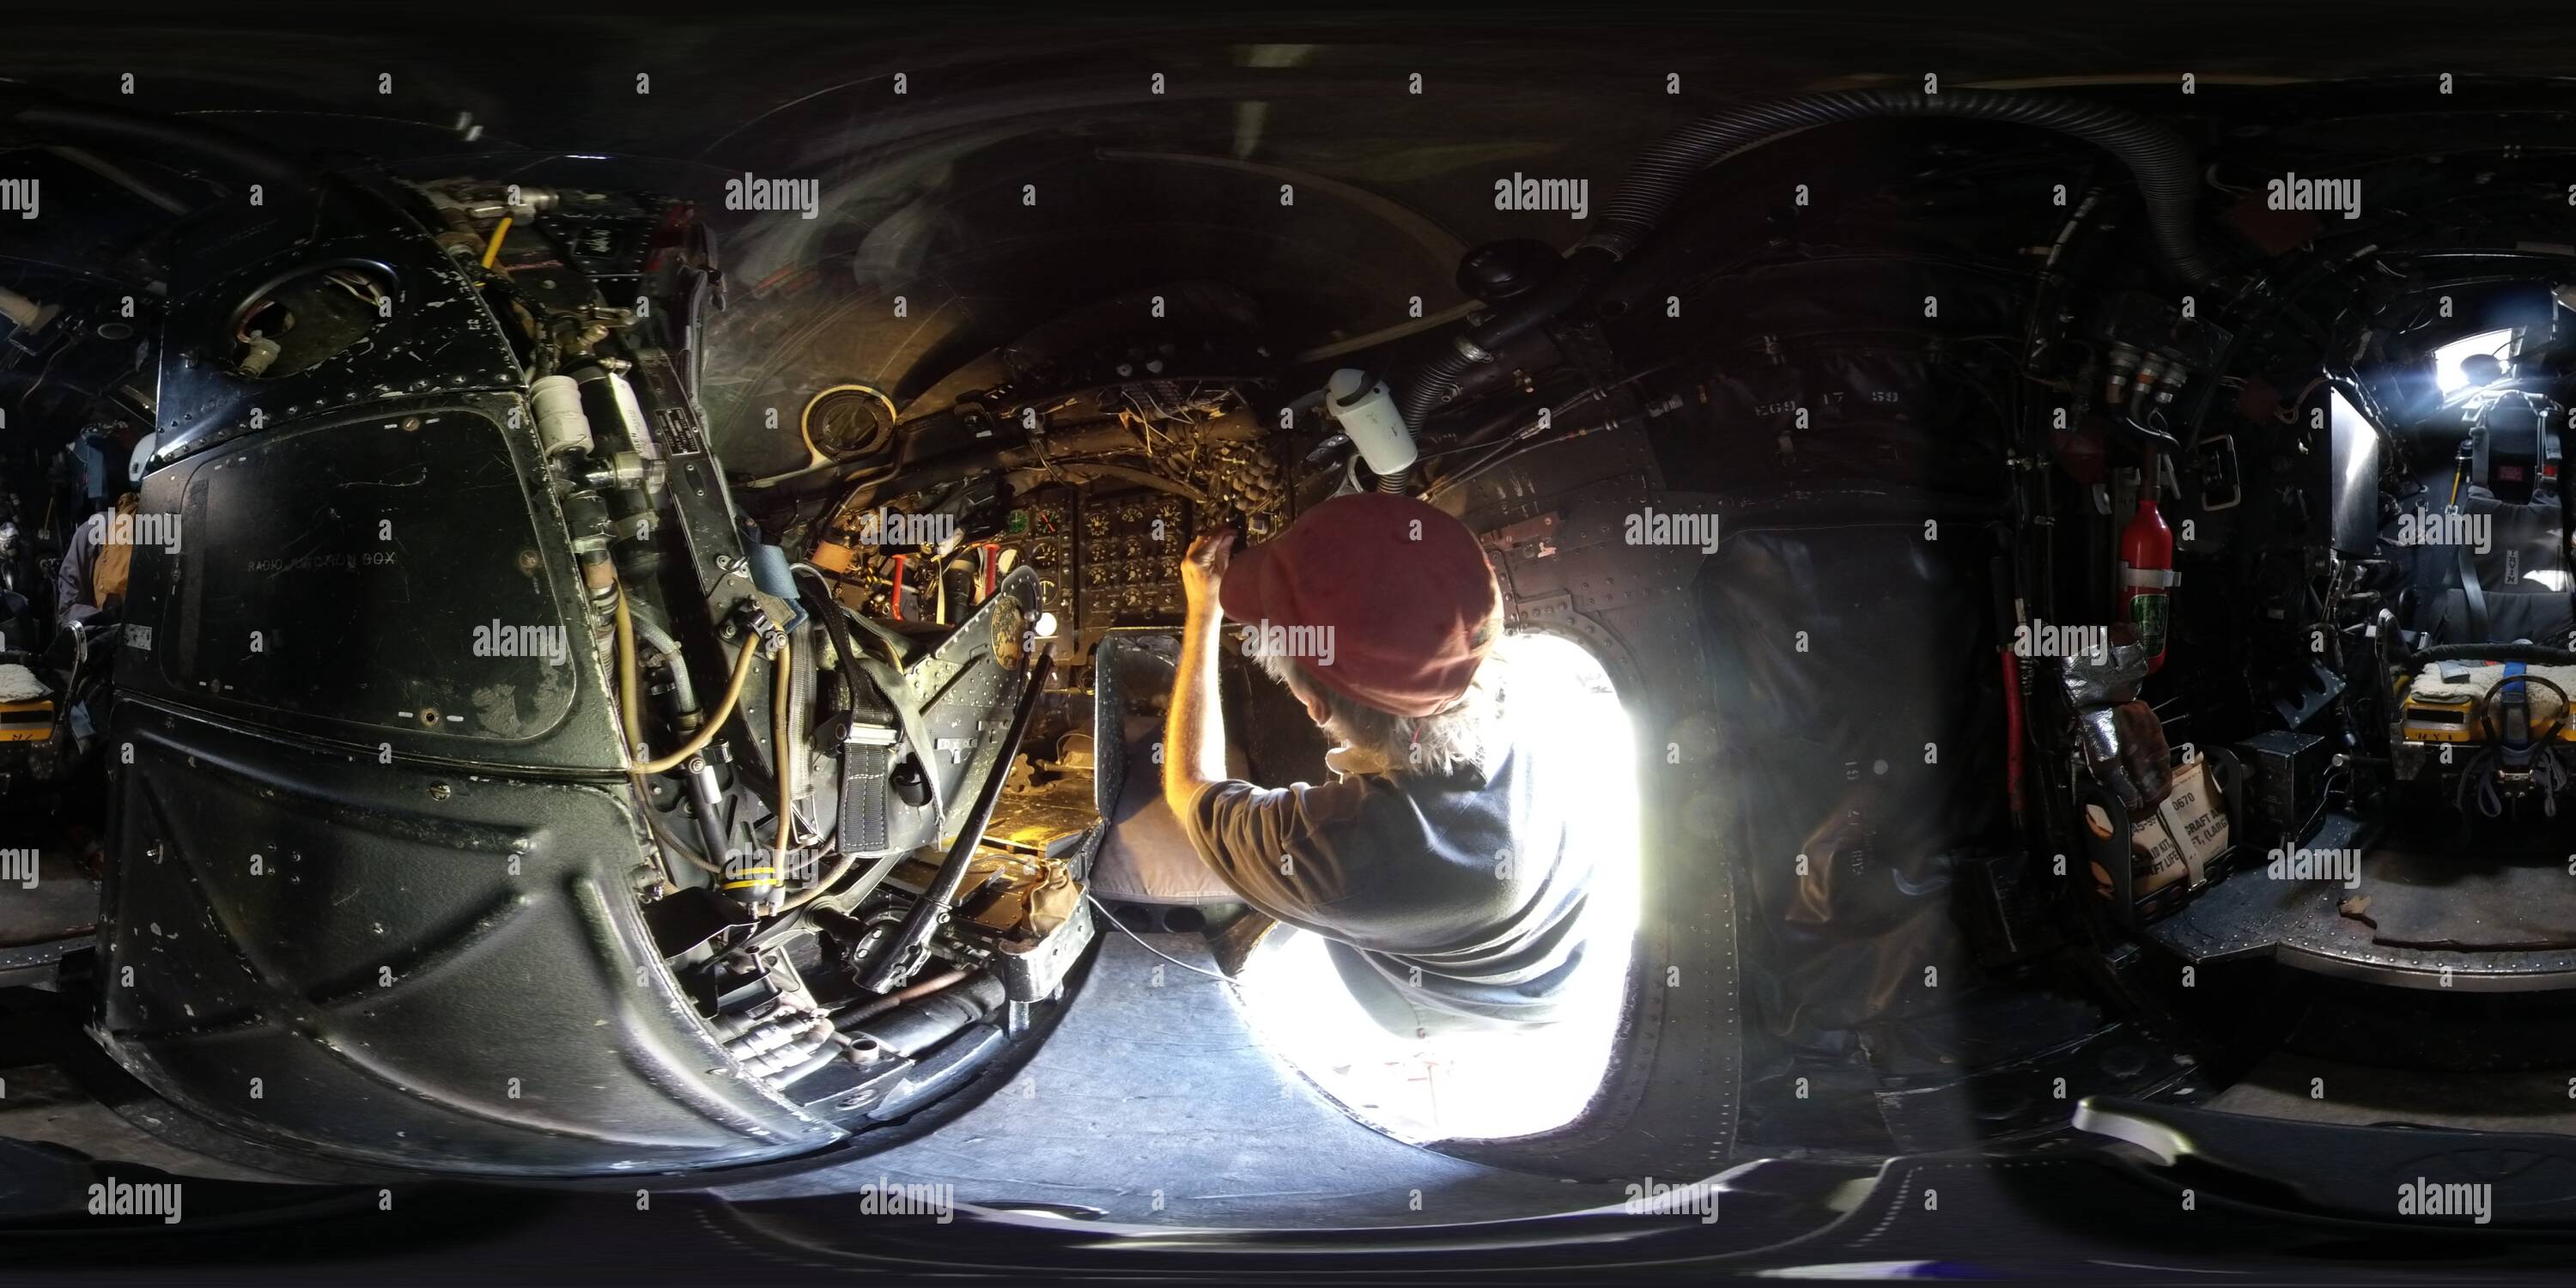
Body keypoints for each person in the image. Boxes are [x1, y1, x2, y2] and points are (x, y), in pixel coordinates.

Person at [1160, 491, 1590, 1036]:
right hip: (1540, 931)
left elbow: (1191, 788)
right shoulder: (1523, 681)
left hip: (1451, 1005)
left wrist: (1202, 616)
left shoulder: (1345, 860)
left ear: (1314, 707)